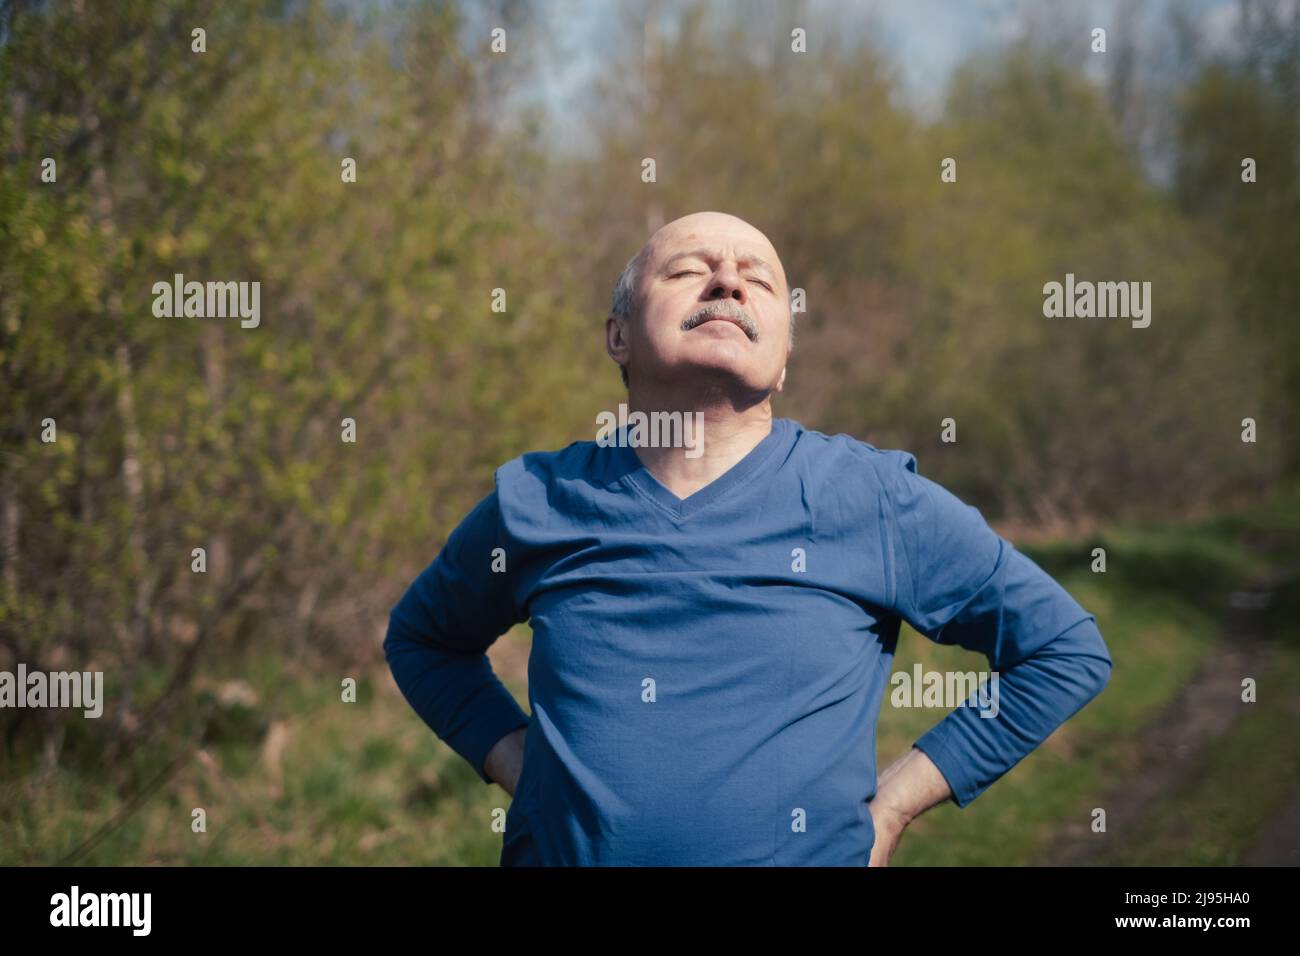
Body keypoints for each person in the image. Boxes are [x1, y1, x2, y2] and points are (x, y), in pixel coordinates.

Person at [384, 210, 1113, 866]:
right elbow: (423, 639)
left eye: (757, 279)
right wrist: (521, 767)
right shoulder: (538, 498)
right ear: (618, 334)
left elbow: (1061, 650)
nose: (728, 281)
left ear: (785, 359)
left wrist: (894, 805)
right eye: (688, 270)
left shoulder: (871, 498)